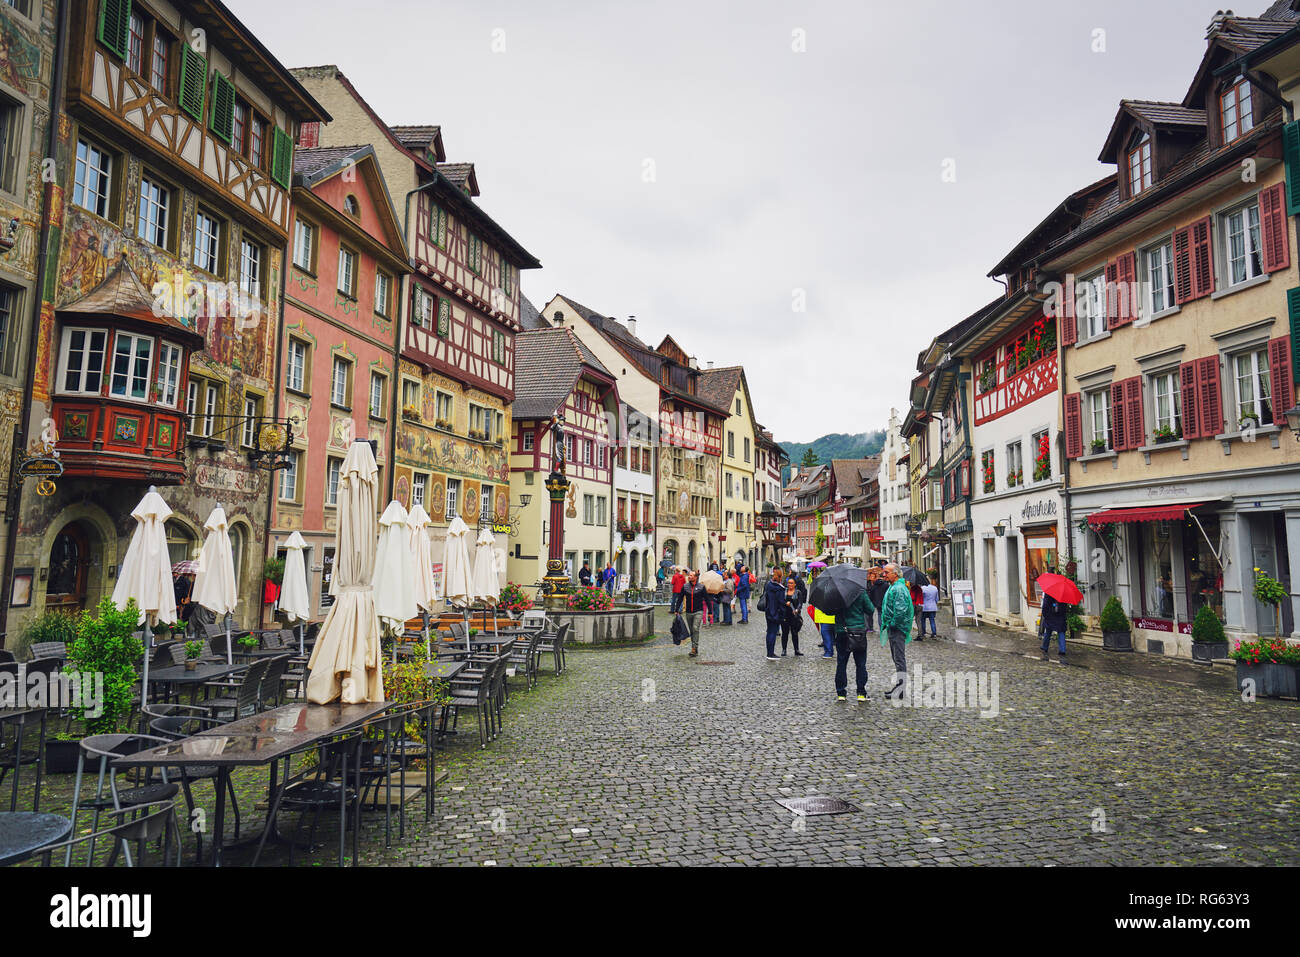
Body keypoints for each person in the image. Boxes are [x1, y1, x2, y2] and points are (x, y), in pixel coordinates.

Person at [833, 585, 876, 701]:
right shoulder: (860, 592)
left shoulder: (837, 594)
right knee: (860, 664)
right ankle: (861, 693)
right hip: (858, 632)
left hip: (842, 631)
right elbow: (871, 609)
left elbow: (829, 612)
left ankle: (841, 693)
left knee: (841, 663)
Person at [880, 564, 914, 698]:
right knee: (896, 658)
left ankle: (901, 689)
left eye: (886, 572)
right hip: (894, 627)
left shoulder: (898, 588)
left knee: (899, 658)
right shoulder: (894, 587)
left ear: (895, 574)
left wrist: (893, 624)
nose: (884, 575)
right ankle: (899, 687)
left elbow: (900, 610)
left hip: (897, 629)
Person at [680, 570, 708, 658]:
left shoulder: (701, 587)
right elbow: (680, 598)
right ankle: (694, 647)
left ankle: (694, 648)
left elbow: (707, 599)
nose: (689, 577)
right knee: (692, 630)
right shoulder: (685, 587)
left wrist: (710, 612)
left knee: (695, 628)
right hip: (688, 612)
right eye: (689, 575)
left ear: (696, 577)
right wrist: (676, 610)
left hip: (698, 611)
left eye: (691, 575)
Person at [763, 568, 786, 660]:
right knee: (773, 632)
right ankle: (770, 653)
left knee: (769, 632)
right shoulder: (779, 588)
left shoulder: (769, 585)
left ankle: (769, 651)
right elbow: (781, 602)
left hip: (768, 611)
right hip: (775, 612)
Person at [1040, 593, 1068, 660]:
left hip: (1050, 615)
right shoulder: (1064, 593)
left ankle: (1045, 646)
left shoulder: (1049, 592)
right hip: (1060, 616)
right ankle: (1062, 649)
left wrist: (1045, 615)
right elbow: (1065, 606)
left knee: (1048, 631)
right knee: (1061, 632)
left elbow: (1045, 605)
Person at [780, 577, 804, 656]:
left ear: (795, 584)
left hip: (794, 615)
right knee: (785, 633)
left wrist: (797, 609)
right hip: (785, 615)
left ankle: (796, 650)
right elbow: (780, 601)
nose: (790, 584)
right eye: (789, 583)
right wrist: (785, 603)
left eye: (791, 583)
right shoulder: (784, 591)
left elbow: (800, 603)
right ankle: (784, 650)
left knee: (794, 633)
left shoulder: (798, 592)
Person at [867, 566, 889, 634]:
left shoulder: (874, 586)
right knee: (885, 615)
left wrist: (873, 602)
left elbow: (871, 595)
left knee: (880, 616)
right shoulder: (886, 585)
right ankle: (885, 628)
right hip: (885, 602)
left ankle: (881, 629)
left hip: (878, 603)